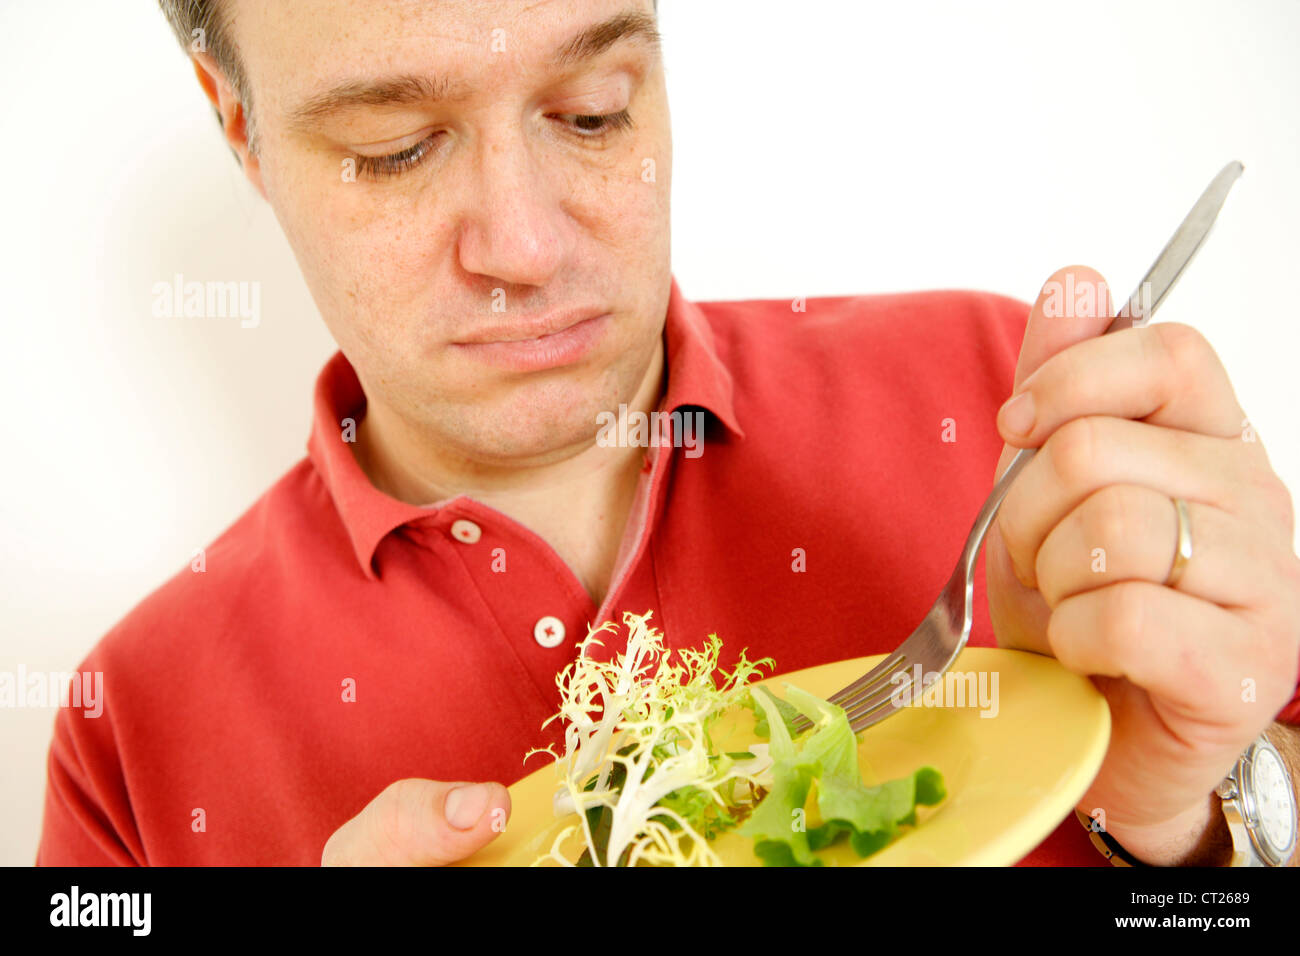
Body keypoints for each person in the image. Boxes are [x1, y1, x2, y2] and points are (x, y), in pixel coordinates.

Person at [37, 0, 1300, 867]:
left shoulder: (1016, 410)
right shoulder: (126, 740)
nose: (523, 246)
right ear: (239, 123)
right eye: (396, 149)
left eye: (592, 111)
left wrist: (1187, 824)